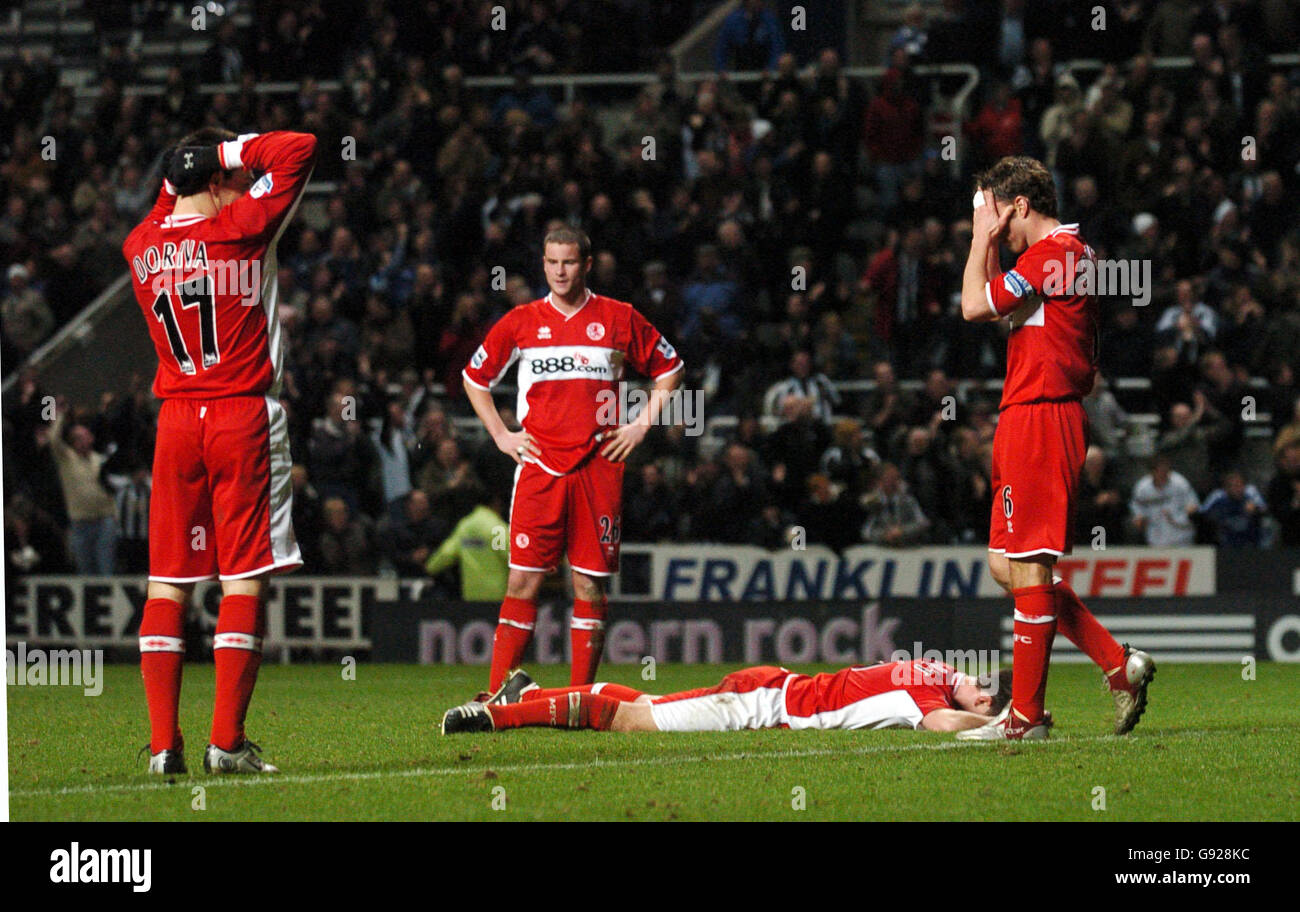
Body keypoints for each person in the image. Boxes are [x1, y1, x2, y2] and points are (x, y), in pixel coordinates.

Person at [122, 127, 317, 775]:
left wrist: (188, 165)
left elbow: (165, 200)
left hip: (176, 422)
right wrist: (225, 156)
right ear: (214, 179)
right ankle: (226, 744)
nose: (245, 180)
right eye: (232, 173)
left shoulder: (142, 244)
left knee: (168, 582)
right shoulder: (242, 228)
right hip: (241, 415)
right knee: (242, 578)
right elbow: (300, 147)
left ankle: (160, 748)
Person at [959, 155, 1154, 740]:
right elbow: (1005, 312)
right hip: (1027, 413)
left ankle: (1026, 717)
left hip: (1043, 415)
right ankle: (1120, 666)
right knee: (1008, 566)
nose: (995, 227)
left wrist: (976, 240)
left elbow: (973, 305)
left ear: (1019, 205)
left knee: (1030, 567)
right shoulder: (1066, 258)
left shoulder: (1056, 255)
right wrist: (991, 244)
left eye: (997, 213)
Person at [462, 226, 683, 693]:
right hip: (540, 467)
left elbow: (671, 369)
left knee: (588, 586)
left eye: (568, 262)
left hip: (599, 466)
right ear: (543, 265)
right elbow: (473, 378)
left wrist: (641, 424)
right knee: (522, 580)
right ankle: (499, 696)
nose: (560, 272)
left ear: (586, 264)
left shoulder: (619, 317)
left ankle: (582, 697)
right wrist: (502, 435)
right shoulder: (522, 321)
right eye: (551, 262)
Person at [442, 660, 1012, 736]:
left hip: (769, 685)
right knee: (631, 721)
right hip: (759, 704)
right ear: (983, 697)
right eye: (987, 700)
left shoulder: (931, 670)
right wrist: (1004, 725)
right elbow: (942, 727)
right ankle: (497, 717)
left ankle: (529, 690)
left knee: (649, 699)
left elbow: (945, 711)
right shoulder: (927, 693)